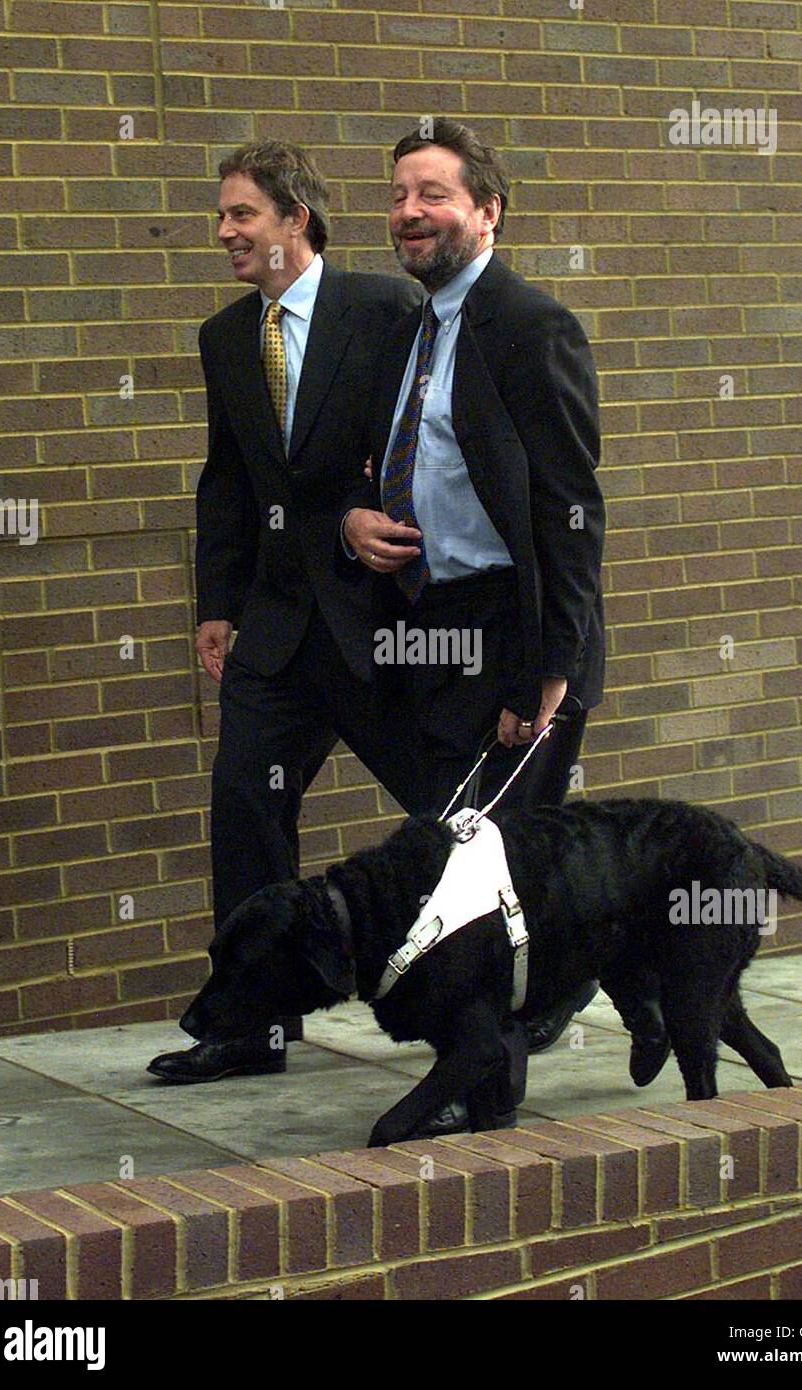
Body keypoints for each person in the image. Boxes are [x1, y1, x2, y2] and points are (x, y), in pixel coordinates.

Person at [341, 121, 667, 1134]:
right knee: (488, 855)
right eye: (399, 194)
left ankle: (488, 1071)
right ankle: (628, 995)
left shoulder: (531, 323)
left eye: (432, 193)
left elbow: (573, 504)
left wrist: (553, 667)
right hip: (428, 625)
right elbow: (385, 458)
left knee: (489, 867)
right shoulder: (410, 324)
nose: (409, 212)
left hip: (512, 633)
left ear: (487, 210)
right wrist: (356, 520)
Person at [148, 141, 424, 1085]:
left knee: (456, 812)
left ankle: (524, 987)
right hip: (275, 629)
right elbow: (226, 481)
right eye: (221, 216)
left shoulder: (386, 310)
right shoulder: (226, 338)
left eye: (241, 214)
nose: (225, 232)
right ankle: (254, 1025)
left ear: (295, 219)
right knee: (246, 809)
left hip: (380, 626)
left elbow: (421, 443)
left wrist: (363, 512)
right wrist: (214, 605)